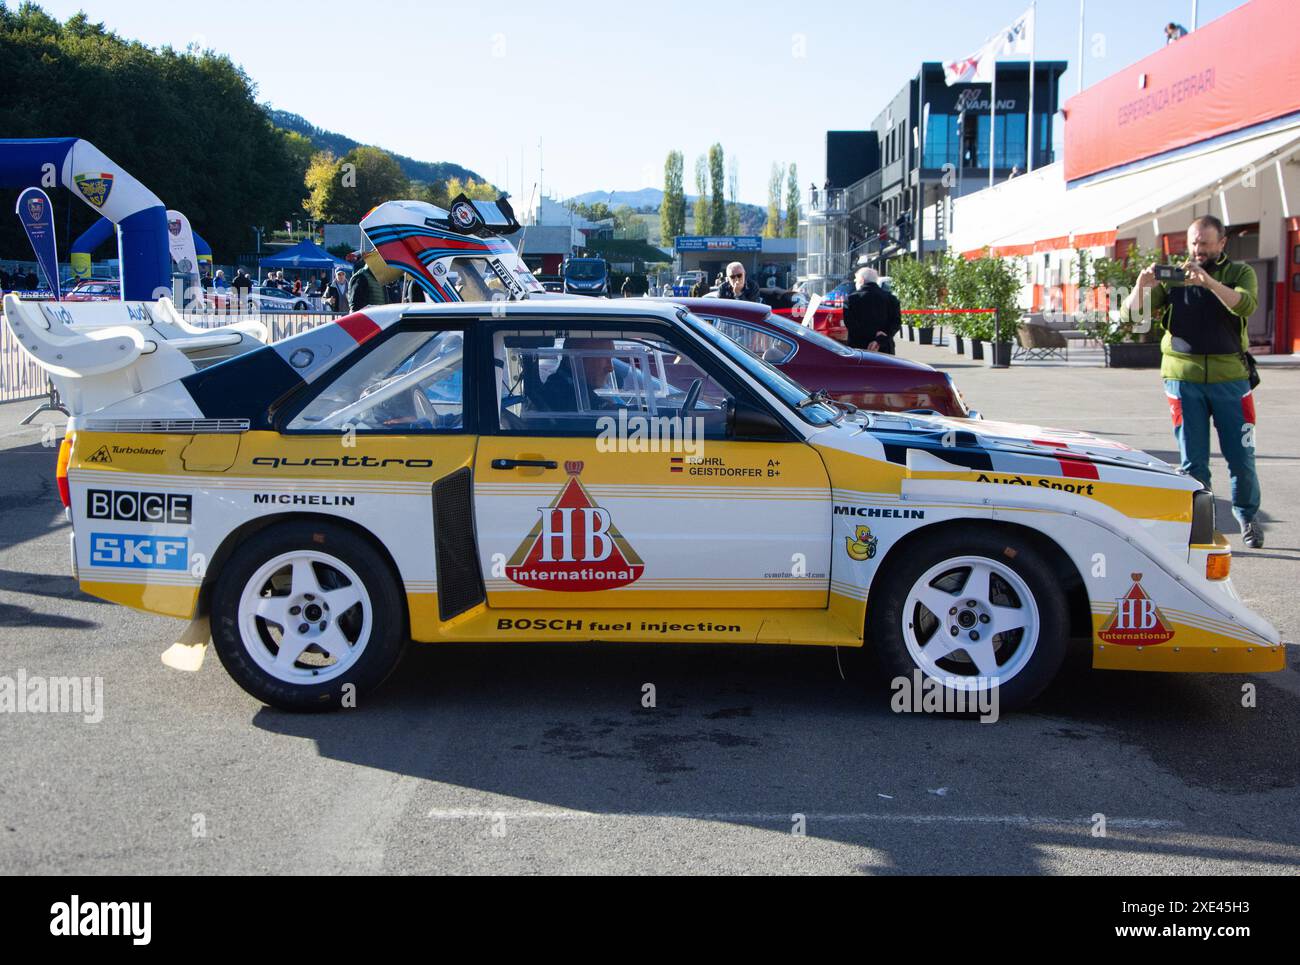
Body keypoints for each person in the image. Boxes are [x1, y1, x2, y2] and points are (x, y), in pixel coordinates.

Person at [1122, 214, 1263, 547]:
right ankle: (1199, 527)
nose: (1197, 250)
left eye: (1204, 243)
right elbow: (1132, 317)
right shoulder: (1173, 278)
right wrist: (1142, 286)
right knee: (1192, 462)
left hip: (1231, 379)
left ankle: (1247, 516)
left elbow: (1246, 305)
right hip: (1182, 380)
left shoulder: (1239, 272)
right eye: (1193, 243)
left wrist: (1209, 283)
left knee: (1241, 457)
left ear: (1222, 243)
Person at [526, 337, 616, 414]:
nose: (610, 368)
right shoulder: (562, 396)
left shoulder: (560, 386)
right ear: (578, 356)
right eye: (605, 358)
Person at [843, 266, 901, 354]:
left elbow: (851, 325)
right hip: (885, 348)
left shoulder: (851, 299)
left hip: (859, 349)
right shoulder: (891, 298)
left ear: (861, 280)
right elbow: (896, 323)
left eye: (856, 280)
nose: (855, 283)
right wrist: (878, 340)